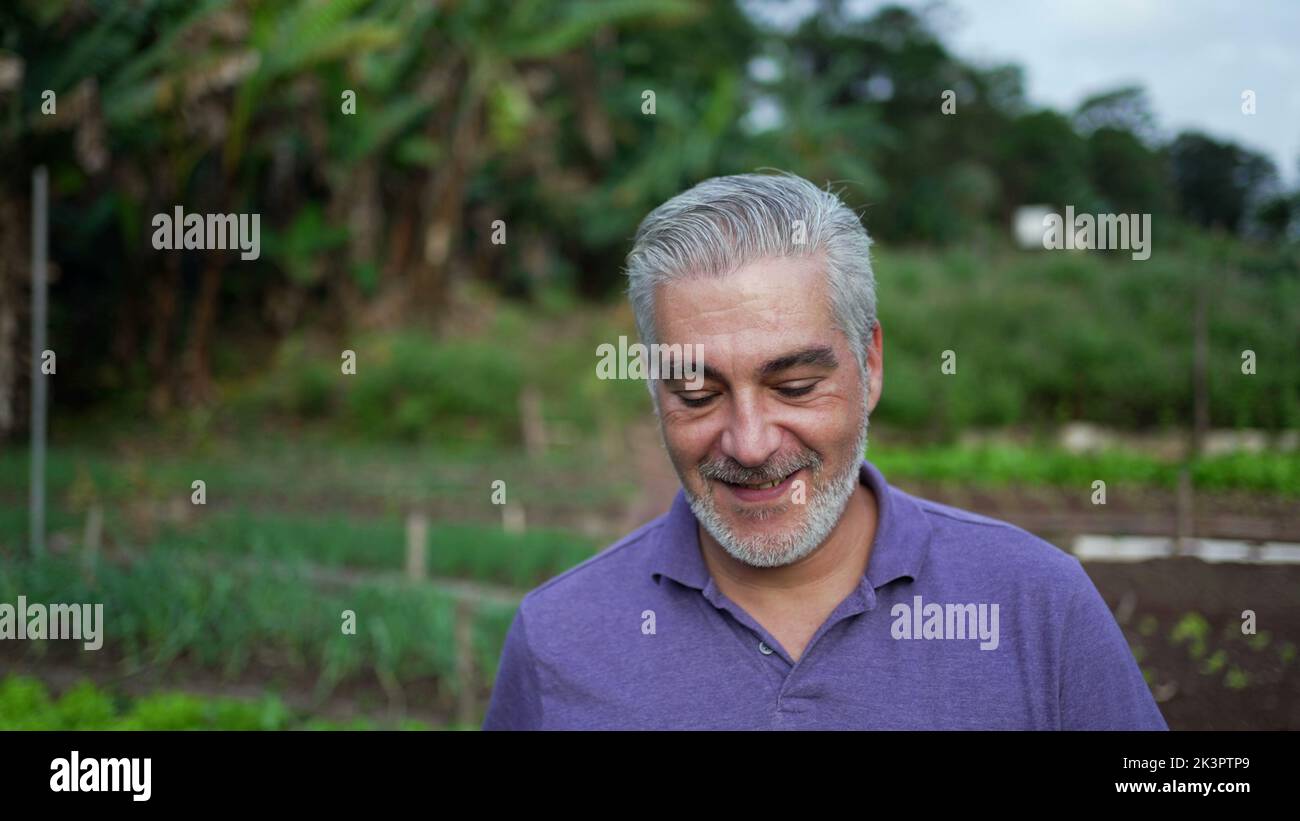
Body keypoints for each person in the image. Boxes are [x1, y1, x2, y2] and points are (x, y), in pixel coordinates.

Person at [482, 170, 1168, 730]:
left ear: (869, 365)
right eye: (697, 394)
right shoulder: (558, 638)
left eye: (796, 385)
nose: (749, 443)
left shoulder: (1036, 604)